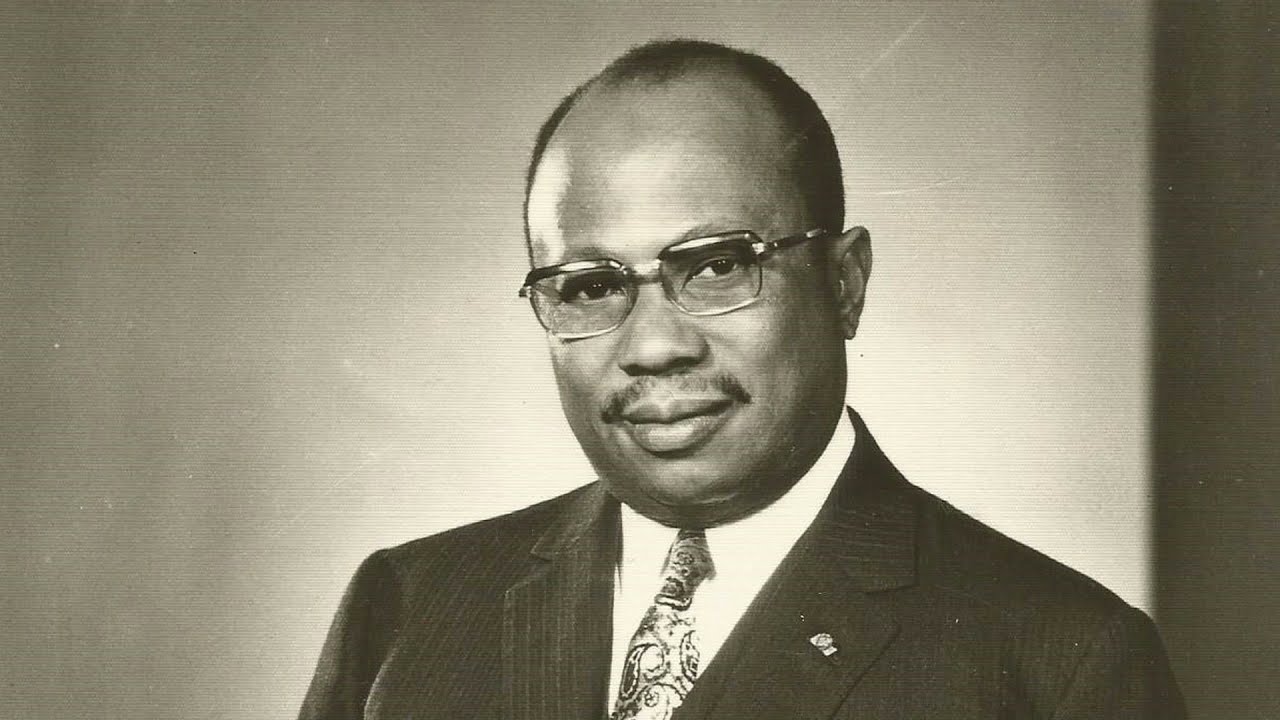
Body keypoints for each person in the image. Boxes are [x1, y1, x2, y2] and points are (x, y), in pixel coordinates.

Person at [299, 39, 1184, 720]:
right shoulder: (409, 608)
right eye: (591, 286)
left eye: (718, 267)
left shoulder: (1061, 662)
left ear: (844, 284)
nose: (652, 348)